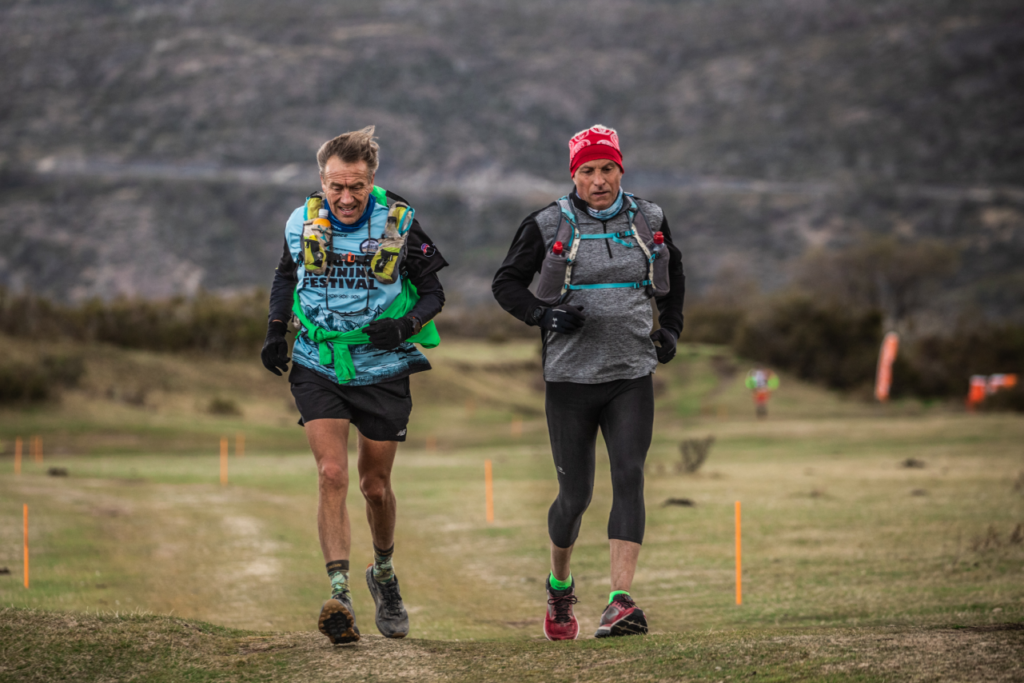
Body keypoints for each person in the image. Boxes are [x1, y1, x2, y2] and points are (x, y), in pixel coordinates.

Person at [492, 124, 685, 640]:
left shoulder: (649, 219)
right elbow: (505, 284)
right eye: (587, 171)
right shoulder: (547, 222)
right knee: (574, 497)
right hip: (570, 381)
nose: (598, 180)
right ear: (573, 175)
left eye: (607, 169)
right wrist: (543, 315)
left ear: (621, 169)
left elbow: (674, 279)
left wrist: (670, 330)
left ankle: (621, 601)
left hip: (631, 375)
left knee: (630, 475)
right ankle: (559, 586)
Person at [261, 126, 448, 644]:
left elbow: (433, 291)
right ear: (322, 180)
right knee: (330, 473)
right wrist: (277, 330)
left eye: (357, 187)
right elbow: (285, 274)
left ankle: (383, 574)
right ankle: (339, 594)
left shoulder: (400, 222)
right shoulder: (301, 222)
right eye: (336, 186)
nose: (345, 198)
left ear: (372, 181)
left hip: (383, 367)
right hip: (318, 360)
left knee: (374, 486)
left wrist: (405, 327)